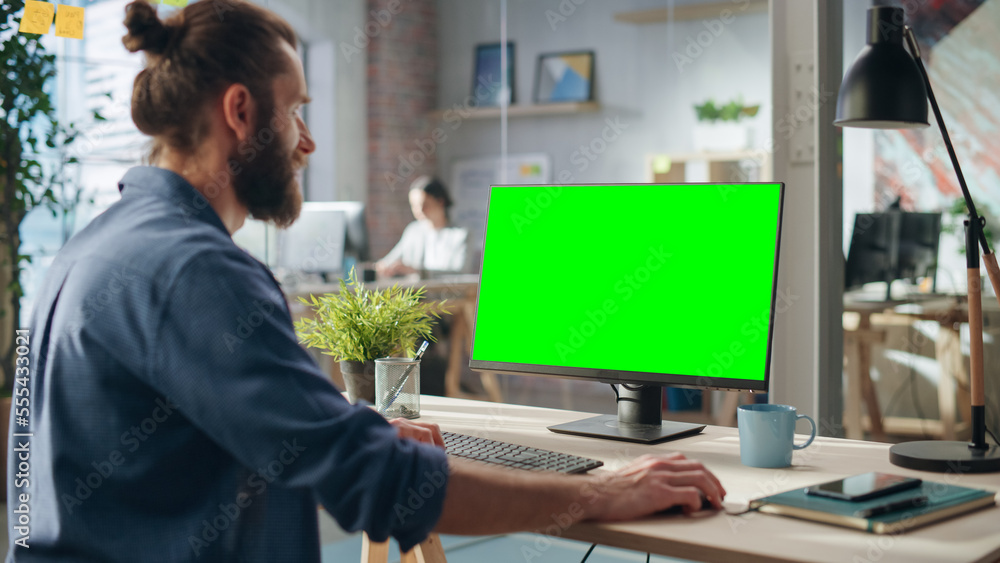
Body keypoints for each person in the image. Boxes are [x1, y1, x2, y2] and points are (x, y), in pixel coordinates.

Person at [8, 1, 726, 561]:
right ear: (240, 111)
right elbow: (375, 483)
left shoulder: (82, 253)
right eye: (297, 112)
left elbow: (56, 472)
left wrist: (348, 426)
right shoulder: (198, 271)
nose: (306, 142)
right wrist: (599, 492)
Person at [376, 176, 469, 277]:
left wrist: (417, 271)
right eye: (414, 206)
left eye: (424, 204)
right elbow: (389, 260)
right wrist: (383, 266)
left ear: (440, 202)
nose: (419, 210)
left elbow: (460, 272)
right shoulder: (413, 231)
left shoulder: (461, 234)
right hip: (415, 292)